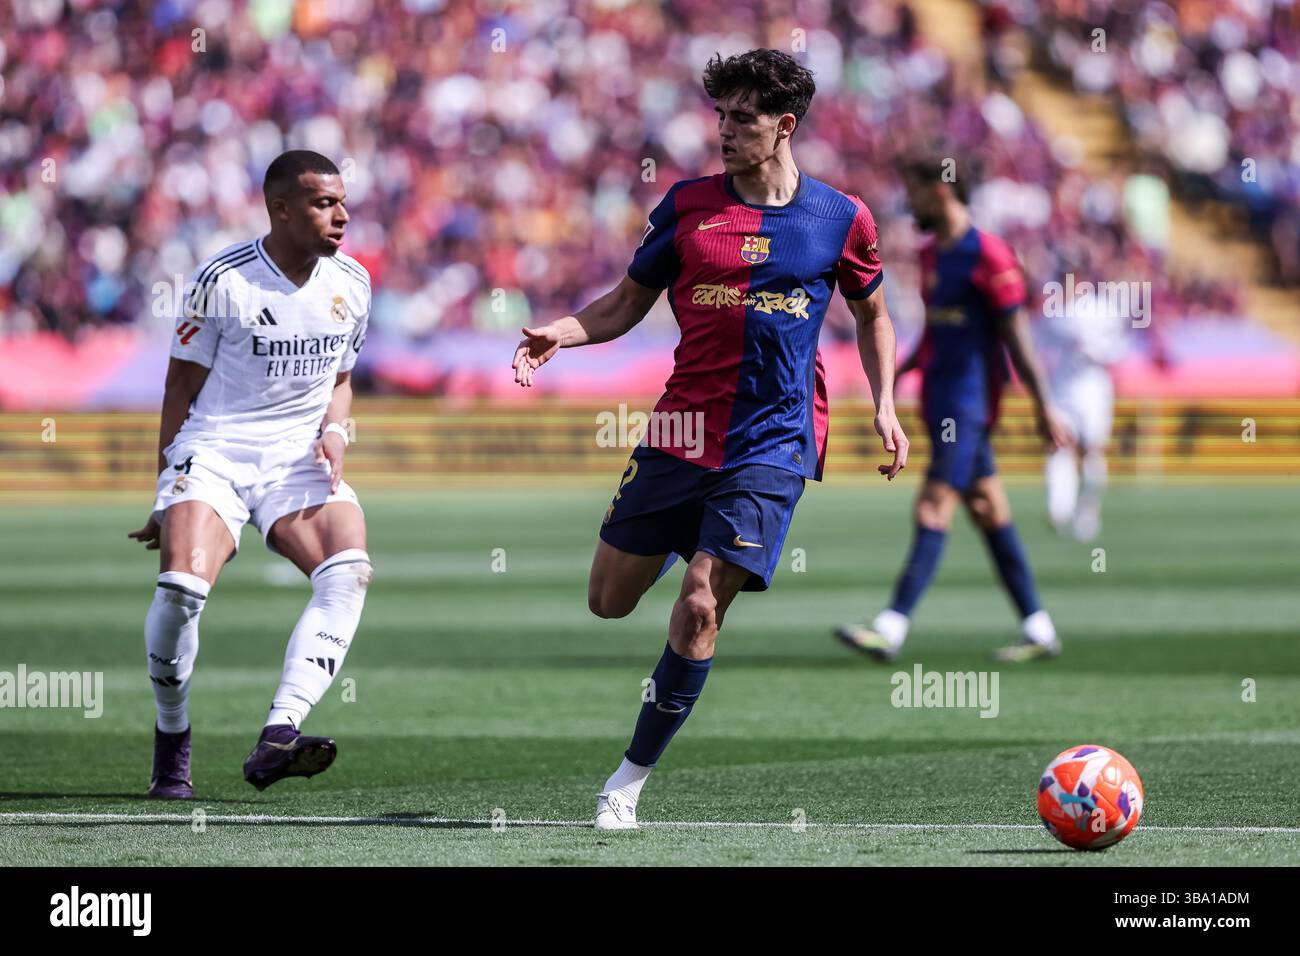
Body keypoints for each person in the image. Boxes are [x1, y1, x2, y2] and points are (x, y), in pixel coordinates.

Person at [512, 49, 908, 829]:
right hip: (681, 429)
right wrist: (560, 330)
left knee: (698, 604)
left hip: (776, 440)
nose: (724, 131)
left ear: (784, 127)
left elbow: (873, 313)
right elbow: (627, 301)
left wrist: (886, 403)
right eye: (720, 116)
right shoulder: (690, 206)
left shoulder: (840, 217)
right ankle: (683, 537)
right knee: (608, 601)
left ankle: (625, 782)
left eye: (743, 119)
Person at [128, 150, 372, 797]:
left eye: (343, 201)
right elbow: (179, 385)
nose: (342, 215)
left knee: (348, 571)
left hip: (296, 456)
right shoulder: (223, 280)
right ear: (282, 209)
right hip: (216, 449)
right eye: (325, 203)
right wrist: (166, 489)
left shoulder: (354, 282)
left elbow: (341, 382)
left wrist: (336, 431)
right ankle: (172, 738)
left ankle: (278, 736)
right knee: (181, 588)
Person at [835, 155, 1072, 664]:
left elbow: (1018, 338)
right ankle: (1040, 627)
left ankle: (890, 627)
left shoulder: (989, 254)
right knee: (988, 510)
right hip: (941, 403)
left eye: (915, 192)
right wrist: (893, 378)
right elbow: (938, 336)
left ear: (940, 192)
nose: (909, 203)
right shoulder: (931, 254)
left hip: (966, 409)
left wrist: (1044, 406)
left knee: (932, 506)